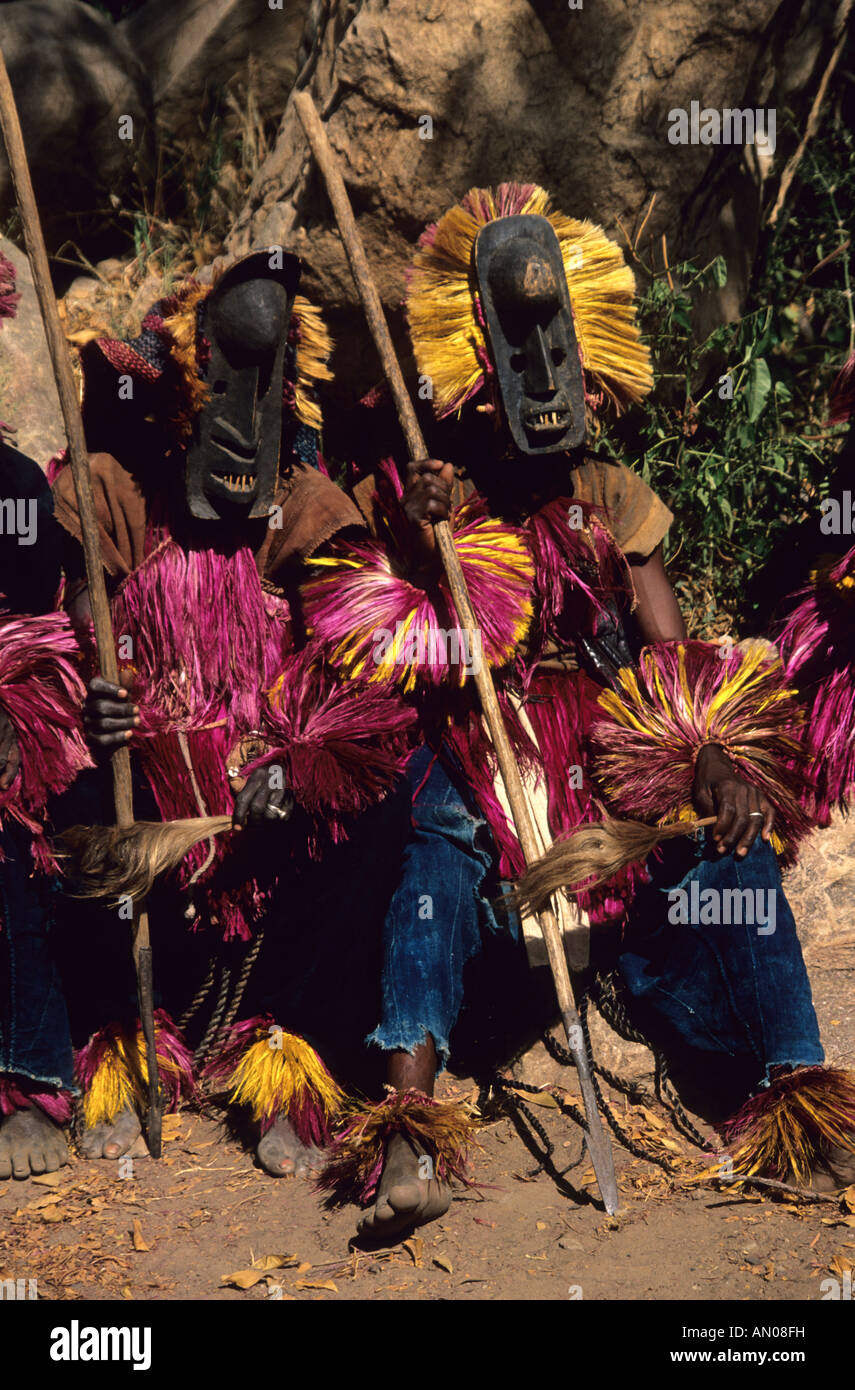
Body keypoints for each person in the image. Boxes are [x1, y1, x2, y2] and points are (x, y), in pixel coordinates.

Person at [305, 183, 855, 1237]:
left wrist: (708, 760)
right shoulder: (439, 497)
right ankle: (409, 1122)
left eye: (557, 351)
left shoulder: (611, 496)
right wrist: (425, 547)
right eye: (517, 356)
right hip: (495, 869)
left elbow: (673, 660)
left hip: (613, 849)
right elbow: (387, 649)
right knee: (436, 828)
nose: (546, 386)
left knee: (732, 853)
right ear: (474, 362)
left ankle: (794, 1089)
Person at [56, 249, 413, 1178]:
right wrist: (95, 697)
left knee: (380, 815)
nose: (242, 414)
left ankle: (285, 1060)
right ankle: (123, 1051)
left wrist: (300, 765)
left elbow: (364, 690)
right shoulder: (117, 502)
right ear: (183, 381)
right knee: (68, 795)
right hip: (153, 833)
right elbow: (66, 638)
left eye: (266, 386)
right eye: (223, 379)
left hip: (268, 846)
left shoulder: (311, 515)